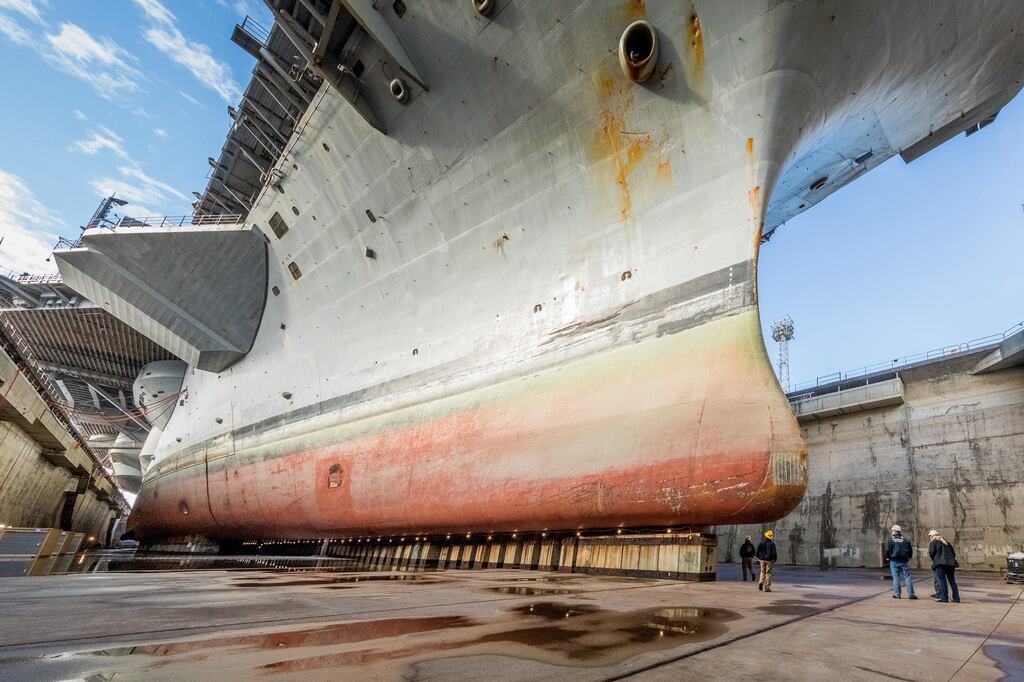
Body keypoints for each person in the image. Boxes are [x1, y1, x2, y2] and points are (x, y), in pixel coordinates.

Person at [883, 524, 917, 599]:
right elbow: (910, 551)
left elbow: (886, 550)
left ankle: (897, 594)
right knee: (907, 577)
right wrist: (909, 557)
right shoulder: (906, 540)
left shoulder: (889, 540)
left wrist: (888, 557)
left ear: (895, 531)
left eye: (892, 530)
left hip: (894, 561)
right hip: (904, 561)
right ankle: (911, 594)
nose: (891, 532)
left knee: (896, 578)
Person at [928, 529, 960, 603]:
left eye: (930, 536)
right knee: (952, 581)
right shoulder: (946, 542)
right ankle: (956, 598)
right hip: (951, 565)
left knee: (942, 581)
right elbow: (953, 553)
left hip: (940, 564)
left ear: (932, 536)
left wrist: (934, 560)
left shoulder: (934, 542)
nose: (929, 538)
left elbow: (931, 552)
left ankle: (944, 598)